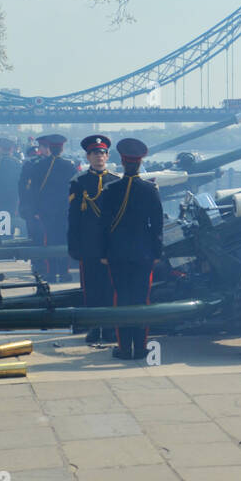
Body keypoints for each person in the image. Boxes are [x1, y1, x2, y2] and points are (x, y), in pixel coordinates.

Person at [98, 138, 164, 360]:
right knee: (141, 299)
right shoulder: (150, 189)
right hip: (144, 253)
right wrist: (157, 253)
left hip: (116, 253)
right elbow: (157, 225)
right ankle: (141, 347)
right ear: (140, 162)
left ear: (123, 162)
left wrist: (104, 253)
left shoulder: (110, 189)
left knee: (121, 298)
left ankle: (124, 348)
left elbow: (103, 225)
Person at [66, 135, 119, 345]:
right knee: (92, 289)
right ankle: (95, 327)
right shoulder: (79, 182)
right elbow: (74, 218)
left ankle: (111, 328)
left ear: (107, 156)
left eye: (103, 153)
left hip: (112, 246)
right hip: (89, 245)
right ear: (88, 157)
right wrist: (74, 246)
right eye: (95, 153)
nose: (100, 157)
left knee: (111, 288)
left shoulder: (116, 181)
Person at [18, 133, 77, 282]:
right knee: (64, 241)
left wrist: (35, 210)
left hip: (45, 211)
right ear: (62, 149)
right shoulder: (69, 165)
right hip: (64, 210)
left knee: (48, 241)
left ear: (50, 147)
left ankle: (51, 273)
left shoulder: (39, 166)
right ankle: (64, 273)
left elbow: (33, 191)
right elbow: (74, 189)